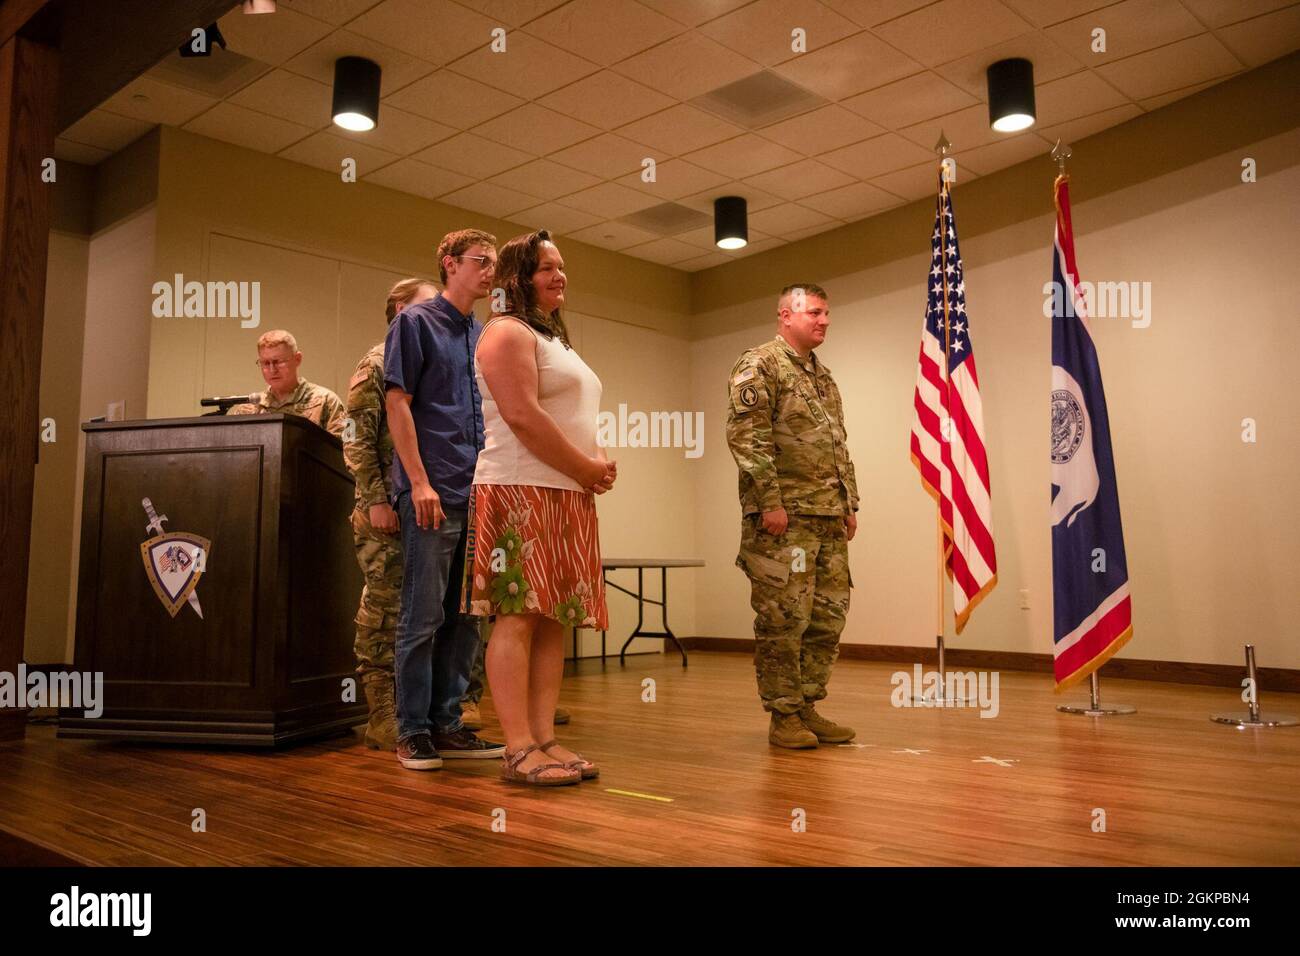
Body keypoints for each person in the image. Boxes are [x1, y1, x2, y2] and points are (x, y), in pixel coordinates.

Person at [464, 229, 613, 786]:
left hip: (566, 491)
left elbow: (569, 415)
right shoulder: (506, 332)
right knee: (518, 614)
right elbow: (523, 418)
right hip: (519, 489)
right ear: (519, 277)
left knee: (555, 618)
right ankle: (517, 746)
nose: (559, 275)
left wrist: (594, 458)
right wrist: (583, 466)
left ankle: (545, 737)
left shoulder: (556, 339)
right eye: (546, 267)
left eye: (561, 266)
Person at [384, 229, 505, 770]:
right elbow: (398, 403)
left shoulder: (481, 335)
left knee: (465, 617)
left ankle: (448, 723)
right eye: (482, 261)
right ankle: (412, 730)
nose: (491, 270)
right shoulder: (414, 323)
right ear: (450, 264)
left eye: (495, 262)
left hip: (476, 492)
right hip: (432, 492)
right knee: (423, 616)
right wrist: (419, 482)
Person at [725, 283, 860, 749]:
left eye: (827, 314)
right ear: (786, 315)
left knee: (827, 616)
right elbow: (748, 438)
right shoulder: (759, 364)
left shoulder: (823, 377)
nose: (823, 321)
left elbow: (836, 443)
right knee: (785, 618)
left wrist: (848, 503)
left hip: (826, 517)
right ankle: (783, 715)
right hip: (784, 521)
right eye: (815, 313)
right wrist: (770, 502)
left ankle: (807, 706)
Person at [343, 277, 438, 751]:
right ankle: (380, 710)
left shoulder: (423, 364)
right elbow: (356, 438)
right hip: (383, 508)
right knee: (384, 605)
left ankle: (417, 710)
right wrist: (377, 500)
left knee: (418, 610)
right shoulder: (376, 365)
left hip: (418, 505)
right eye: (426, 305)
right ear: (400, 310)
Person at [228, 329, 346, 436]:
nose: (272, 369)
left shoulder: (325, 401)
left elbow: (344, 452)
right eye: (265, 363)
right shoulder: (248, 409)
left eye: (278, 361)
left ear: (297, 359)